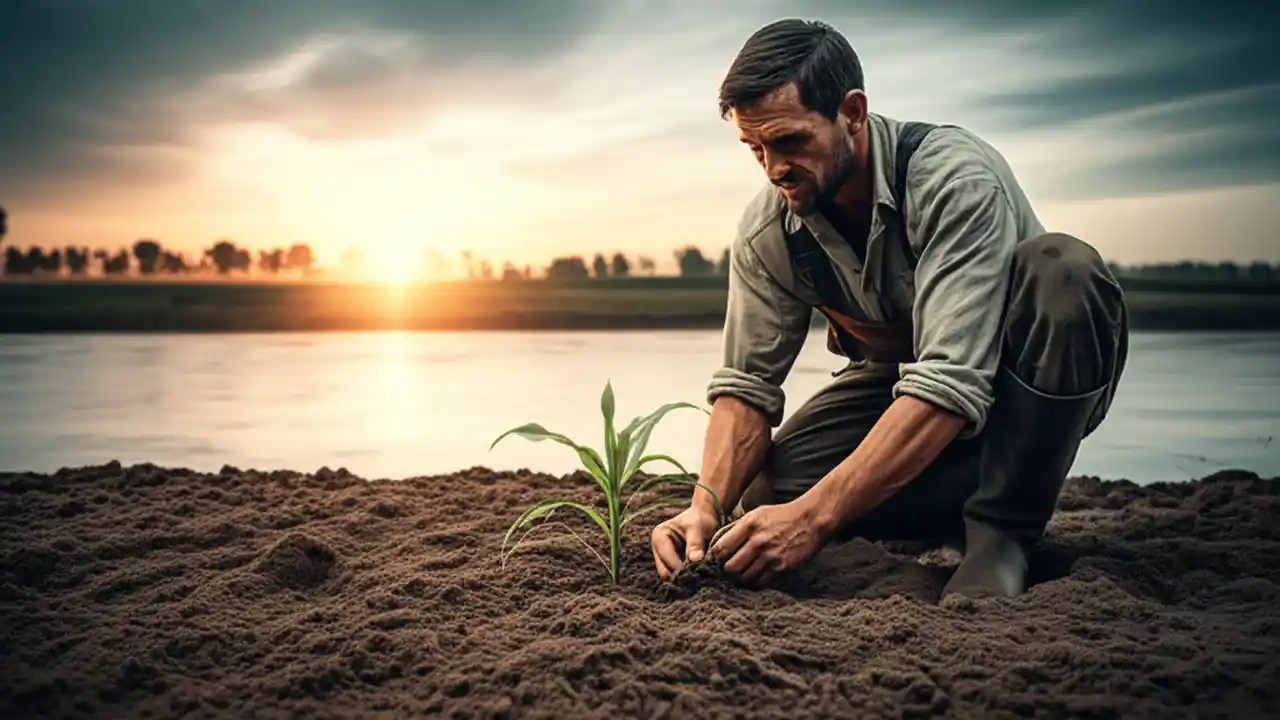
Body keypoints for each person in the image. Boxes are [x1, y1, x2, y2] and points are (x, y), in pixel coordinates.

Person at [650, 18, 1128, 599]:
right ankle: (959, 503)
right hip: (902, 381)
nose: (774, 168)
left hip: (1020, 379)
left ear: (851, 113)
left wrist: (816, 519)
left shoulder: (954, 180)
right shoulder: (767, 229)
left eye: (791, 141)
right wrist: (705, 507)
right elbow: (745, 388)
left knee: (1066, 267)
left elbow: (952, 380)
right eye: (756, 148)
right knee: (772, 493)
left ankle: (1002, 534)